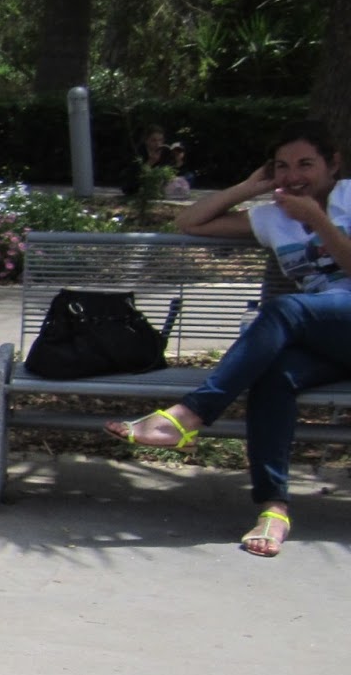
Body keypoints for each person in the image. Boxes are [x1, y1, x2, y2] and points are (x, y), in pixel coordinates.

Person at [105, 122, 351, 556]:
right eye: (282, 166)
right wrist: (250, 186)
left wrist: (316, 217)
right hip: (331, 341)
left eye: (306, 164)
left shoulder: (349, 197)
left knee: (284, 309)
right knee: (274, 376)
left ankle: (191, 414)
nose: (293, 175)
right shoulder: (275, 217)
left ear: (333, 164)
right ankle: (273, 509)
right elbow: (190, 221)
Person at [120, 123, 194, 200]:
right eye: (153, 140)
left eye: (160, 140)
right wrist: (151, 162)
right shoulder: (139, 152)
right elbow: (135, 175)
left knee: (189, 176)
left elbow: (171, 171)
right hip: (141, 184)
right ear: (146, 140)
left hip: (162, 182)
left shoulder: (165, 151)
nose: (158, 144)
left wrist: (178, 162)